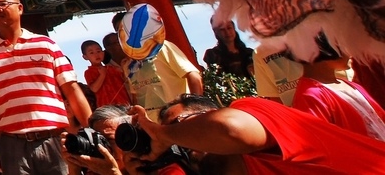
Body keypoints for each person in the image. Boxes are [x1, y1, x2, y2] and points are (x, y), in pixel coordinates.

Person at [0, 0, 92, 175]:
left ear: (20, 8)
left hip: (55, 138)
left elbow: (72, 89)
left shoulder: (46, 45)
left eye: (3, 3)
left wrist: (92, 132)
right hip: (11, 144)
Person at [126, 93, 385, 174]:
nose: (180, 140)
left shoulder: (250, 108)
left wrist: (165, 133)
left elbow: (230, 129)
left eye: (180, 125)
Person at [292, 35, 385, 141]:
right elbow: (319, 141)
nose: (350, 52)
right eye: (342, 46)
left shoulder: (352, 86)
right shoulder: (311, 95)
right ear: (324, 50)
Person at [119, 5, 203, 118]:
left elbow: (193, 76)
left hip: (177, 118)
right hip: (152, 125)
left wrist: (195, 111)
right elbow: (136, 97)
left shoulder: (164, 48)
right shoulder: (128, 66)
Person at [82, 40, 131, 108]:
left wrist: (123, 69)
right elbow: (94, 89)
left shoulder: (112, 69)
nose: (96, 55)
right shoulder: (89, 72)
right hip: (107, 107)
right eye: (91, 53)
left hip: (124, 103)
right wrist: (102, 75)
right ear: (85, 57)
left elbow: (126, 81)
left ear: (103, 53)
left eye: (98, 51)